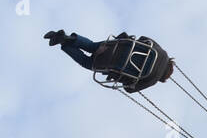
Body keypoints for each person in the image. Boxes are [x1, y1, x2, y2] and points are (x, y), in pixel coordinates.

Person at [46, 30, 174, 92]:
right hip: (112, 64)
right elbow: (129, 89)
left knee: (91, 46)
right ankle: (63, 42)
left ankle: (68, 37)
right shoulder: (152, 80)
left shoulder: (162, 53)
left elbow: (144, 38)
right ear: (162, 79)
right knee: (87, 62)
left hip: (118, 45)